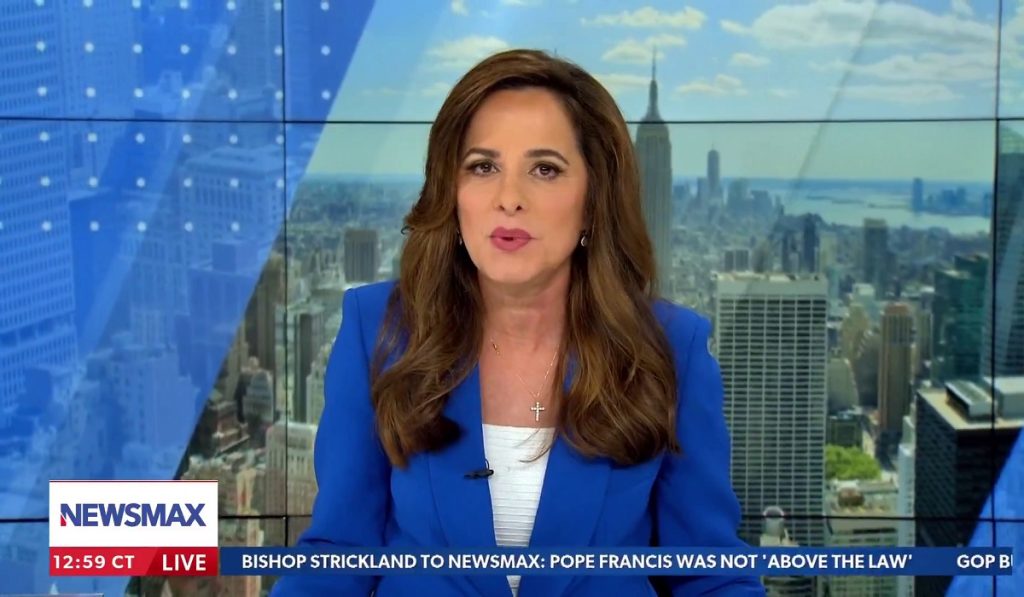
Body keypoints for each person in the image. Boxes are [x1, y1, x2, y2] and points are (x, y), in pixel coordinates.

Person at [271, 49, 765, 596]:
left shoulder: (672, 349)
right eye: (483, 167)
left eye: (545, 169)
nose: (509, 199)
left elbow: (710, 576)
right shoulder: (379, 333)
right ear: (451, 192)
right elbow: (337, 560)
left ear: (593, 200)